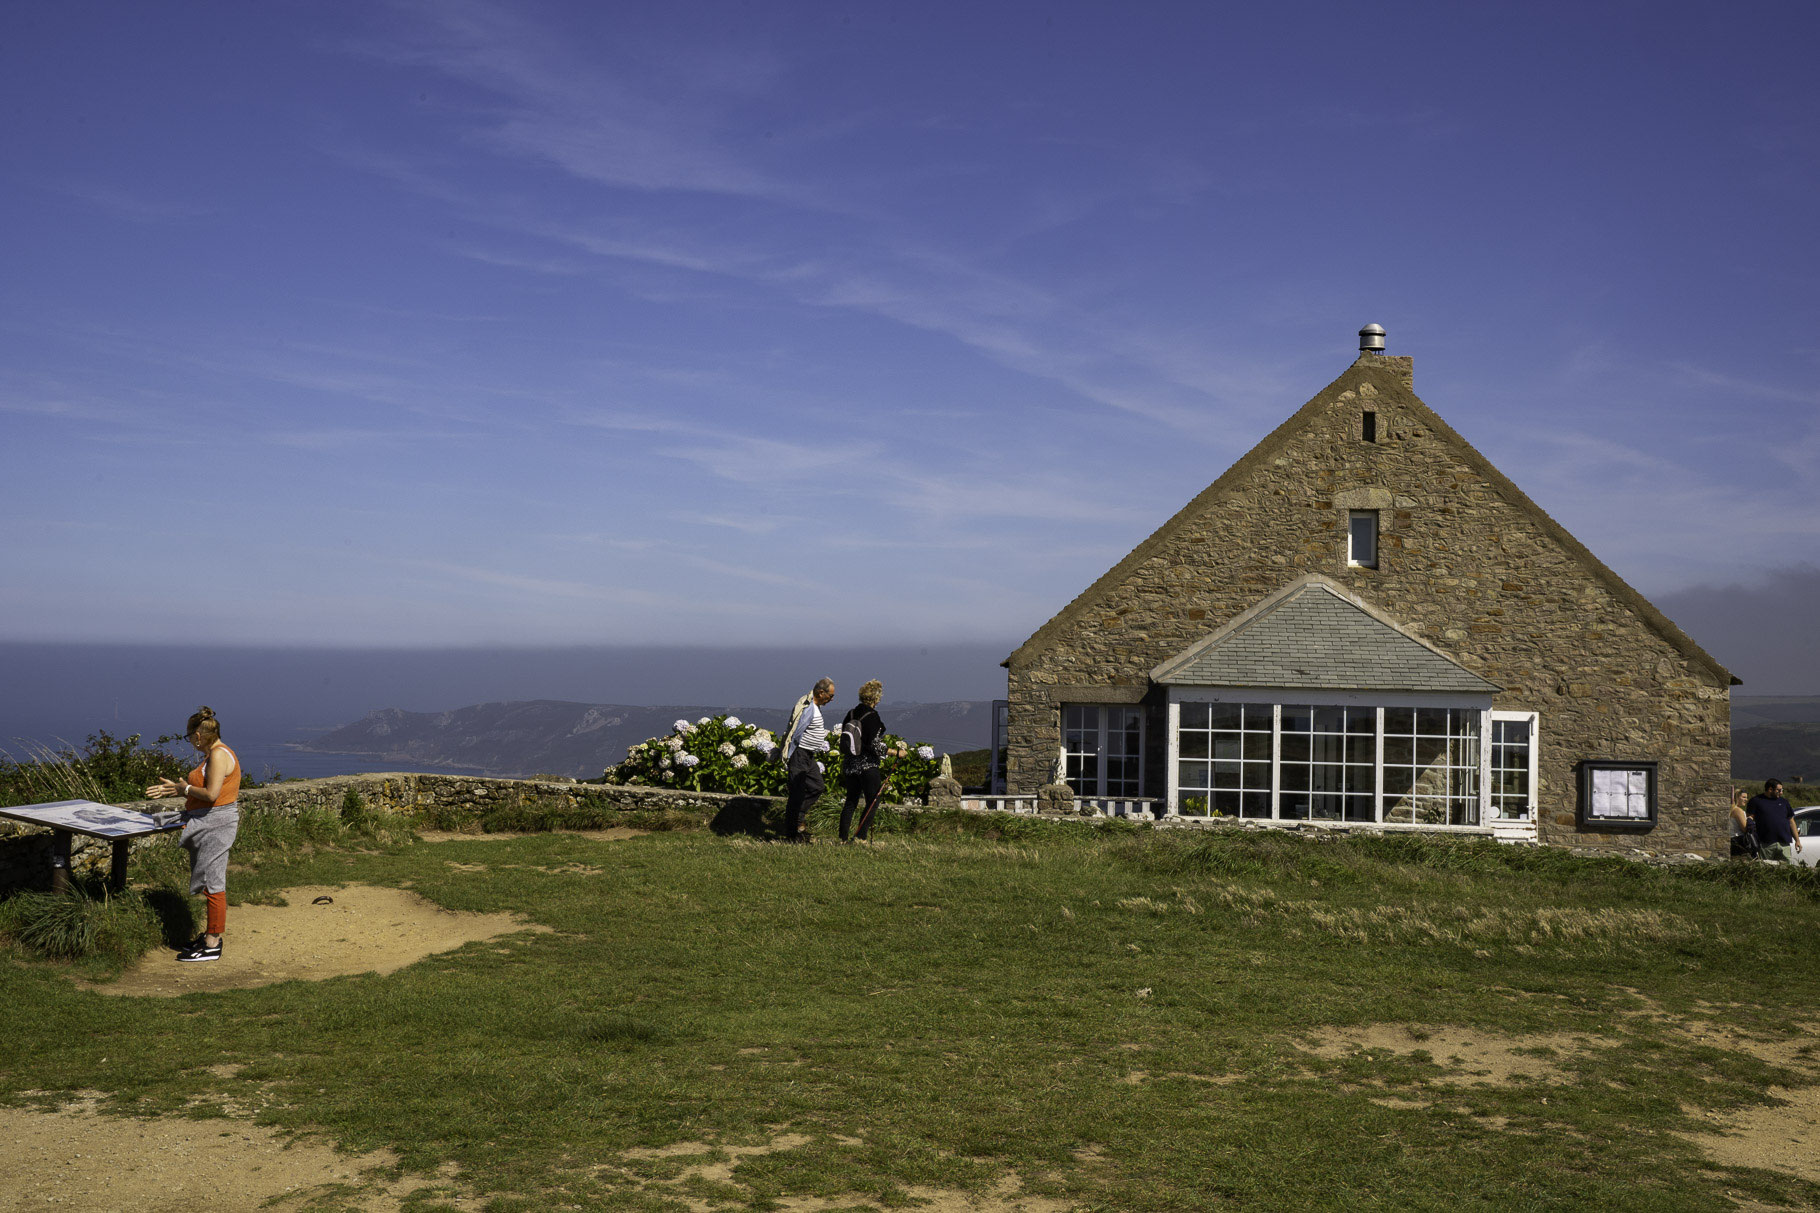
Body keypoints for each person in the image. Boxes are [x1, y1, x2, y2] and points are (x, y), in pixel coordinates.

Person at [145, 706, 241, 962]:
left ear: (198, 735)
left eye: (189, 737)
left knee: (213, 883)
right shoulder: (215, 754)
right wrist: (178, 790)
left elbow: (211, 794)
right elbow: (203, 791)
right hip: (211, 822)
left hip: (217, 824)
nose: (190, 742)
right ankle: (210, 936)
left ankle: (212, 944)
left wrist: (184, 788)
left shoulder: (219, 756)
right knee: (211, 881)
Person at [780, 678, 835, 842]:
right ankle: (791, 834)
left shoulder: (815, 707)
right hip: (800, 755)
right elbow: (795, 731)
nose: (832, 699)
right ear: (821, 693)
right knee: (796, 794)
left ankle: (799, 816)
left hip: (808, 756)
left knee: (817, 786)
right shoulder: (809, 708)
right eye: (831, 696)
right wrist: (788, 753)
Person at [839, 680, 893, 843]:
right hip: (867, 765)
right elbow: (874, 745)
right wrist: (895, 752)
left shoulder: (851, 714)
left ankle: (843, 837)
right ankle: (860, 836)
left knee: (851, 800)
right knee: (873, 800)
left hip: (850, 764)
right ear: (876, 699)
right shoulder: (872, 716)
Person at [1746, 778, 1802, 863]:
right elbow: (1750, 818)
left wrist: (1797, 840)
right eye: (1779, 790)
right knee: (1766, 870)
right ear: (1770, 789)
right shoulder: (1756, 801)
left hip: (1784, 843)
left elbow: (1791, 821)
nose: (1781, 793)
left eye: (1782, 790)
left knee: (1786, 870)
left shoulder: (1784, 802)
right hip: (1765, 844)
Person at [1729, 788, 1758, 858]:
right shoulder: (1738, 811)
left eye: (1746, 797)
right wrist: (1750, 820)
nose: (1746, 799)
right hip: (1738, 841)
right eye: (1744, 797)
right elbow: (1745, 829)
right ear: (1737, 797)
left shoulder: (1732, 809)